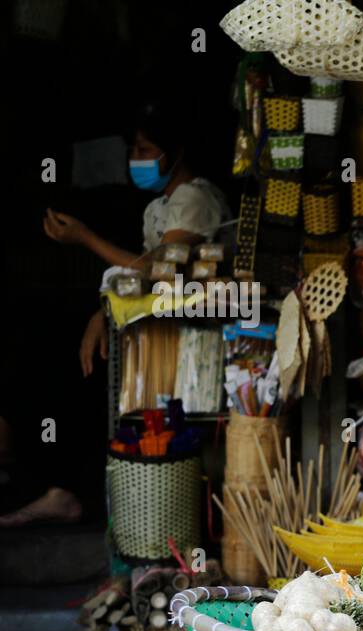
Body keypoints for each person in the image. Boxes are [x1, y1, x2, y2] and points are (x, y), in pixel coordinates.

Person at [0, 102, 229, 528]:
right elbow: (133, 278)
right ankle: (50, 482)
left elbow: (160, 269)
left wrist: (85, 238)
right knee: (52, 355)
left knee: (77, 373)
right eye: (134, 150)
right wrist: (102, 310)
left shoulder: (194, 198)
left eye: (145, 149)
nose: (136, 160)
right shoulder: (157, 207)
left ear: (175, 151)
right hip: (145, 326)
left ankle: (64, 490)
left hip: (180, 334)